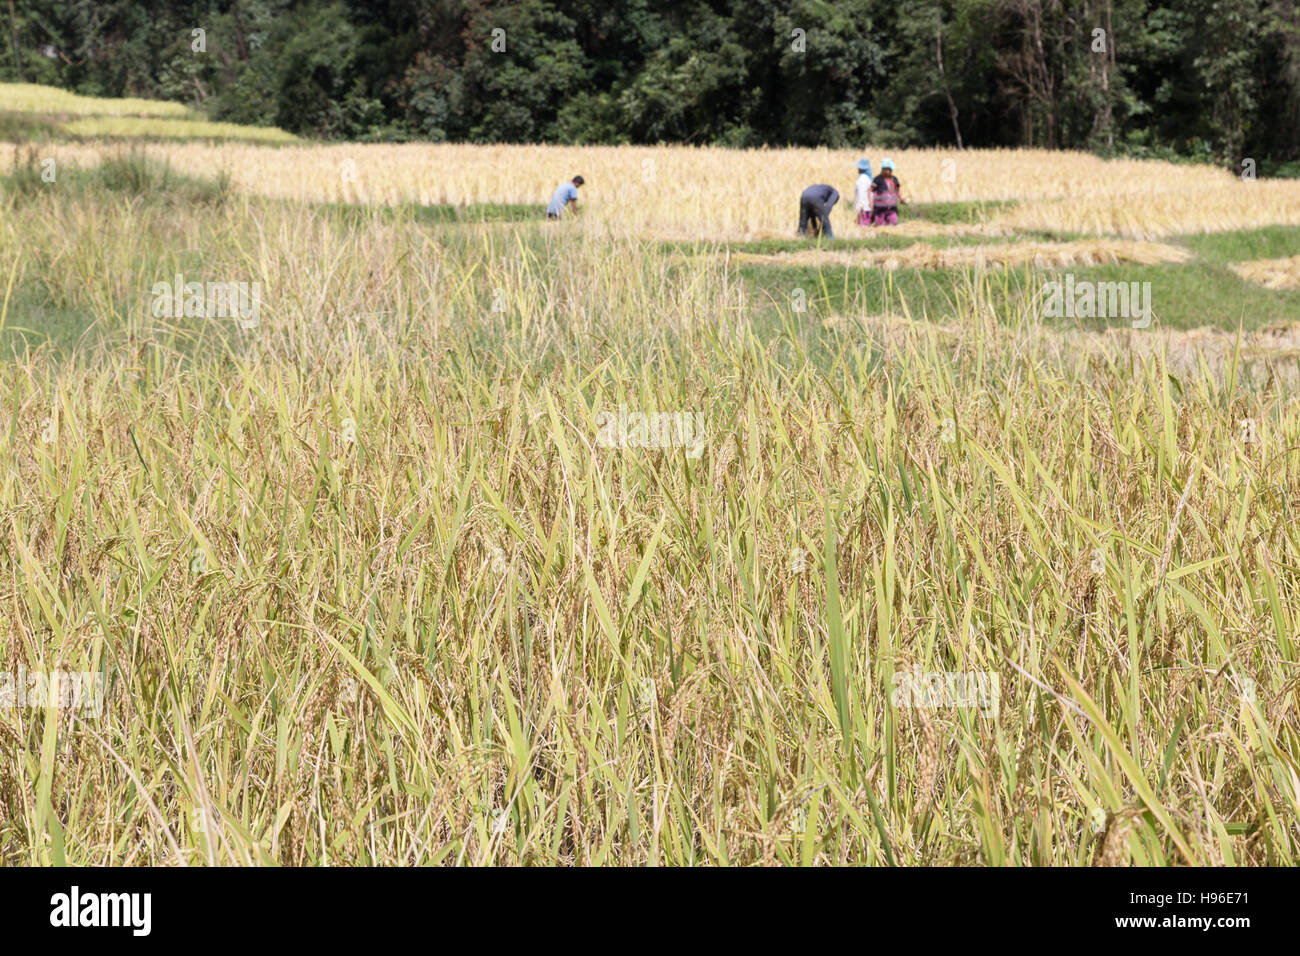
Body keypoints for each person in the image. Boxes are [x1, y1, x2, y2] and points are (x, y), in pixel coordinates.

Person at [870, 159, 905, 226]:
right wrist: (870, 203)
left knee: (893, 223)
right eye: (887, 169)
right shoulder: (877, 179)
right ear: (883, 169)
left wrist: (901, 198)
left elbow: (897, 190)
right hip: (880, 209)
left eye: (890, 170)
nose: (889, 171)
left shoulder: (894, 179)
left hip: (892, 208)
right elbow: (870, 190)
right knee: (880, 225)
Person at [852, 158, 874, 226]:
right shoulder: (868, 178)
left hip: (863, 207)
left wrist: (860, 206)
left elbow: (861, 194)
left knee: (863, 226)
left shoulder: (862, 179)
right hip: (867, 207)